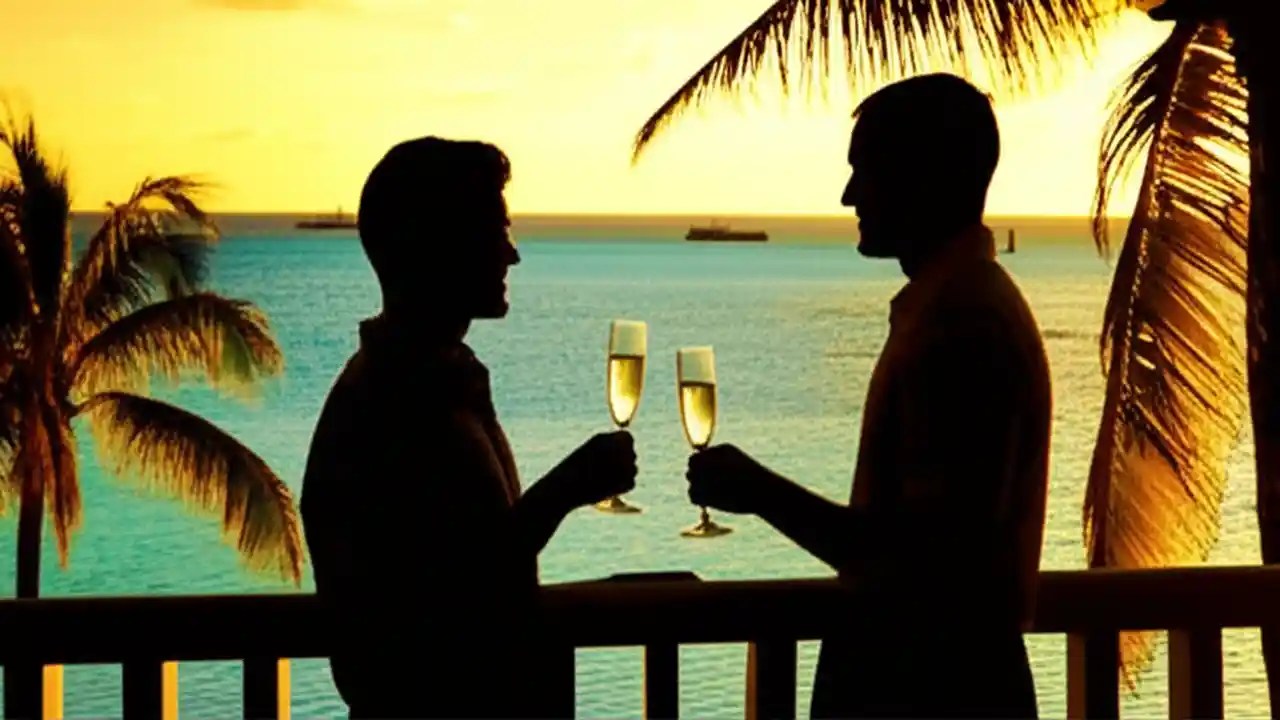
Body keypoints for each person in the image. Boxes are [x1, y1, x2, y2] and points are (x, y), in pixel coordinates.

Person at [685, 73, 1052, 718]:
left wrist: (759, 491)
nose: (849, 193)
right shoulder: (959, 303)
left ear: (923, 175)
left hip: (933, 692)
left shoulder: (962, 322)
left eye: (866, 170)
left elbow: (921, 558)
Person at [299, 136, 638, 719]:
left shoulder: (434, 379)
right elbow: (434, 606)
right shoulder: (383, 404)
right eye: (494, 231)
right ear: (435, 242)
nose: (512, 255)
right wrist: (562, 492)